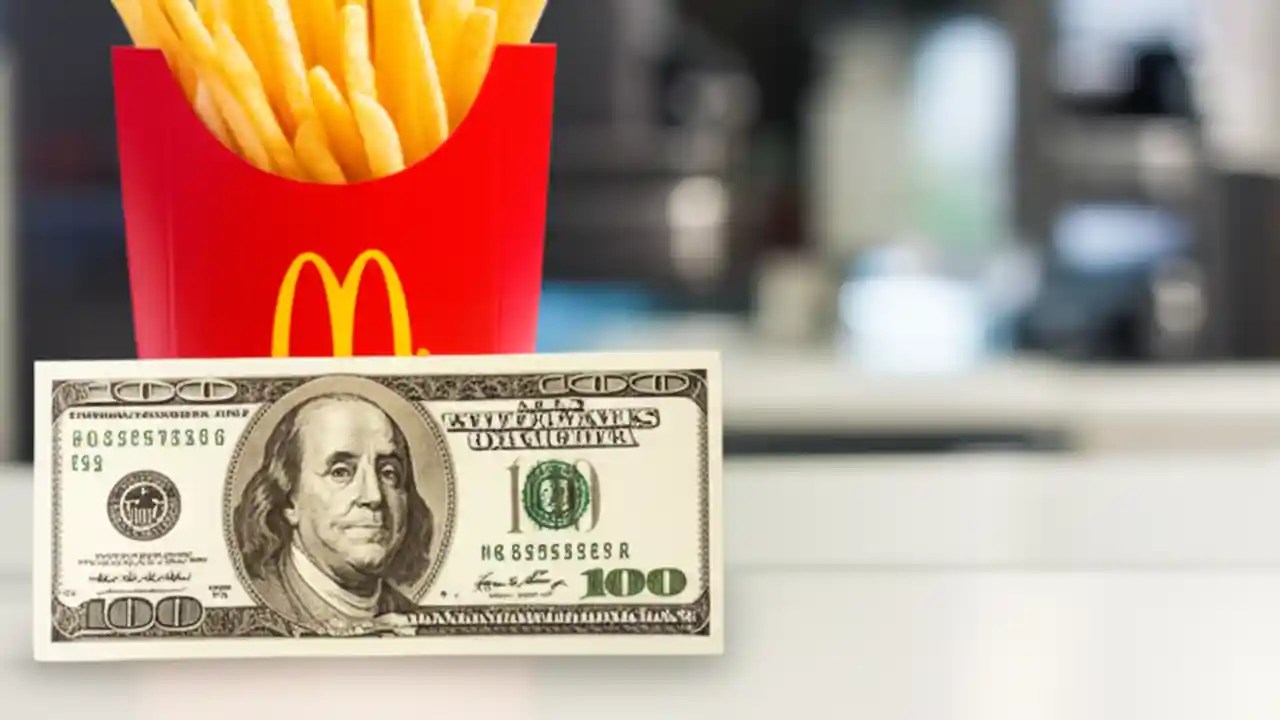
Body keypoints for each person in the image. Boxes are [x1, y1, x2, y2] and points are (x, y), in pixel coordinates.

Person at [234, 393, 434, 632]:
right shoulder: (263, 610)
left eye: (389, 473)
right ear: (289, 501)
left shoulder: (413, 619)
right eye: (340, 472)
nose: (374, 496)